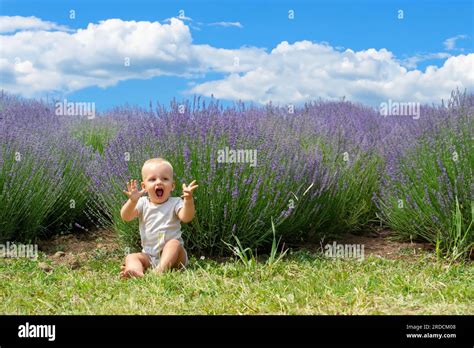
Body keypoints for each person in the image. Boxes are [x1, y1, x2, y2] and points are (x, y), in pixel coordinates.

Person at [119, 158, 198, 278]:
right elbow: (126, 216)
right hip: (150, 256)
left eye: (165, 179)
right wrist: (132, 201)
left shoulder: (175, 202)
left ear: (172, 186)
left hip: (176, 257)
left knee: (174, 244)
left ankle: (160, 271)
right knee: (131, 257)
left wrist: (188, 200)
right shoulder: (142, 203)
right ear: (144, 186)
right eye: (152, 179)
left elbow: (186, 217)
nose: (159, 182)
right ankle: (135, 271)